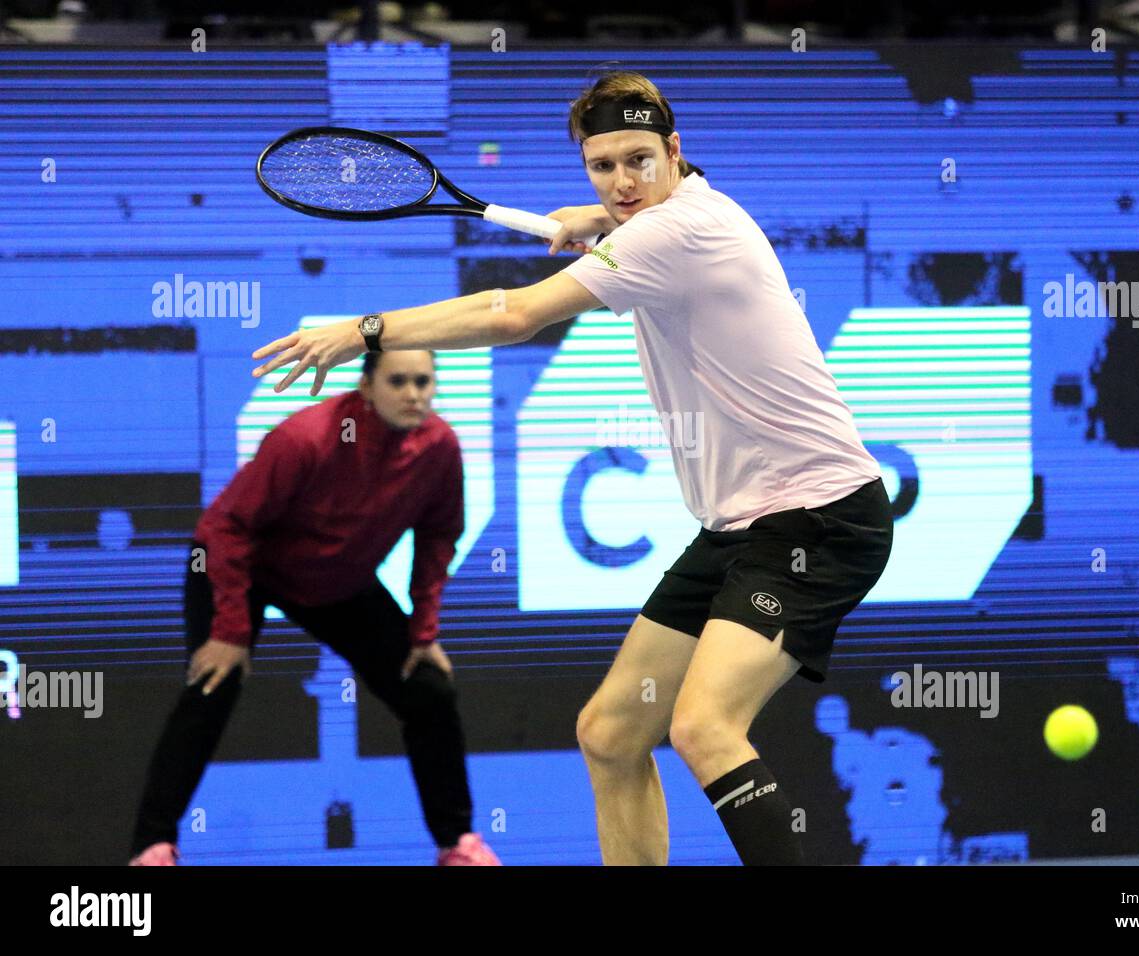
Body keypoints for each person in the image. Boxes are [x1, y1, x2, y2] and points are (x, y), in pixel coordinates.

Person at [250, 70, 893, 866]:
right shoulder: (676, 208)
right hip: (739, 525)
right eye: (602, 165)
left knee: (702, 727)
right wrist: (602, 217)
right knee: (612, 733)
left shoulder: (673, 235)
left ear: (675, 150)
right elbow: (645, 209)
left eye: (639, 160)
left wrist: (367, 328)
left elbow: (512, 313)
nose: (623, 181)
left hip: (820, 519)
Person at [129, 349, 499, 866]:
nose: (413, 393)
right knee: (212, 687)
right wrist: (231, 630)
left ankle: (457, 845)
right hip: (242, 565)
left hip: (335, 579)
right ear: (367, 387)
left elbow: (438, 537)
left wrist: (423, 632)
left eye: (423, 381)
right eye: (398, 381)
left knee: (429, 692)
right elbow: (225, 528)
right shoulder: (308, 438)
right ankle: (152, 847)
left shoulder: (439, 448)